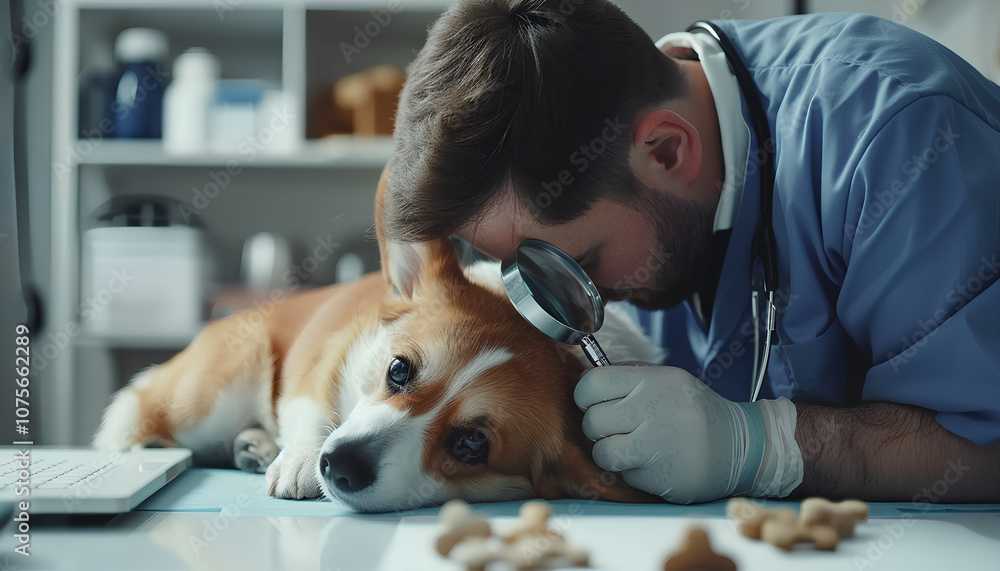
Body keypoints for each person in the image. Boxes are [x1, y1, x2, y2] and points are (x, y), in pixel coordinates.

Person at [380, 0, 1000, 504]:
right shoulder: (641, 183)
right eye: (525, 273)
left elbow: (984, 449)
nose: (567, 315)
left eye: (583, 265)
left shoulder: (899, 135)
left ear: (668, 152)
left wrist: (762, 448)